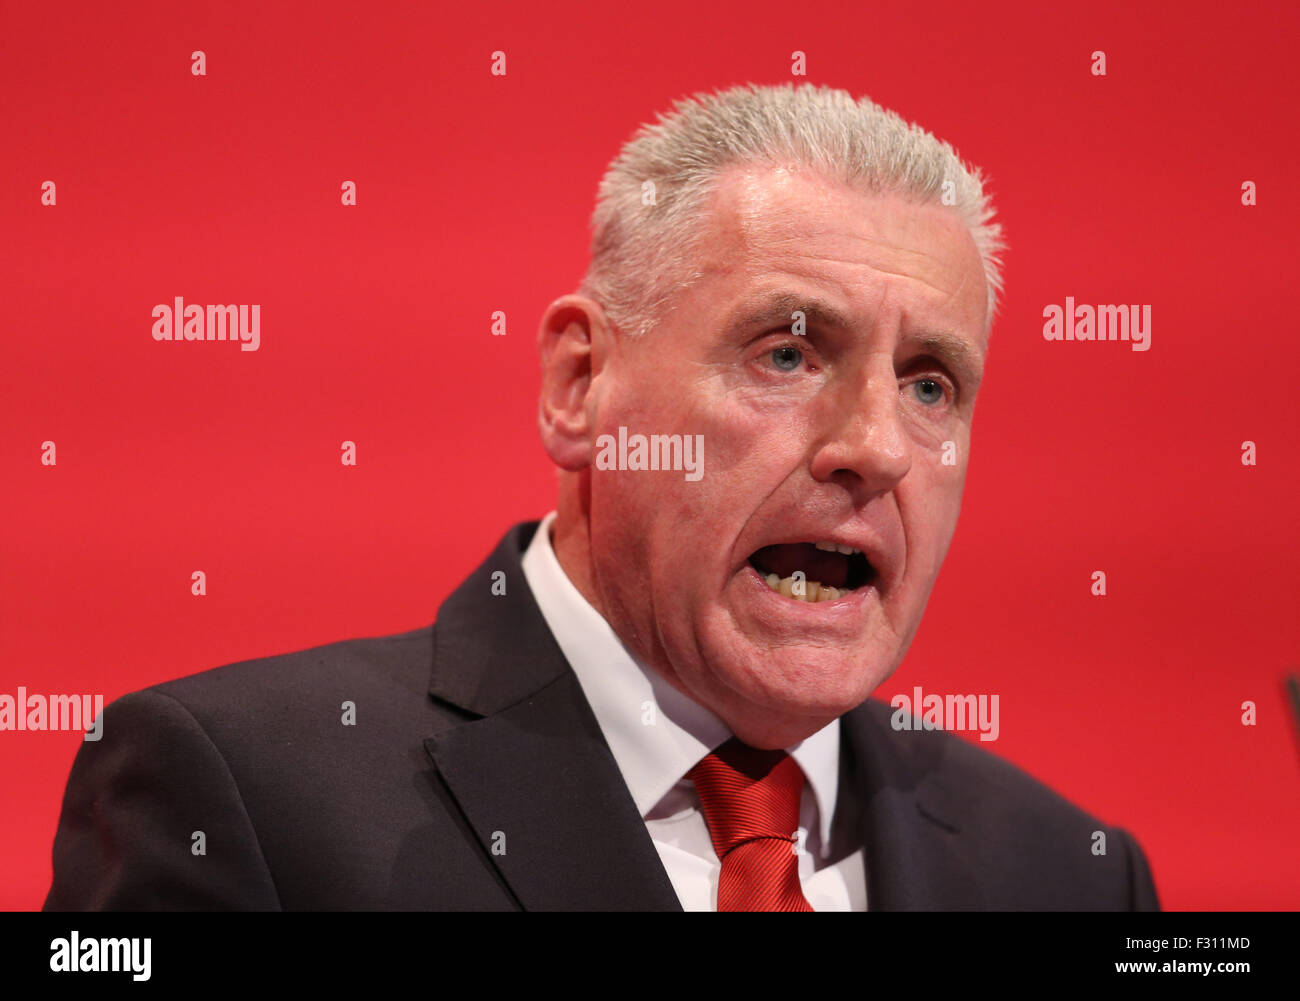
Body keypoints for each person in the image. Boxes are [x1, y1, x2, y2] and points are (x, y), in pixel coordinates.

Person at [44, 82, 1159, 911]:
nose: (873, 445)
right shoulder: (245, 793)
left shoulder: (1065, 874)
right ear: (582, 384)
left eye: (931, 383)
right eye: (786, 354)